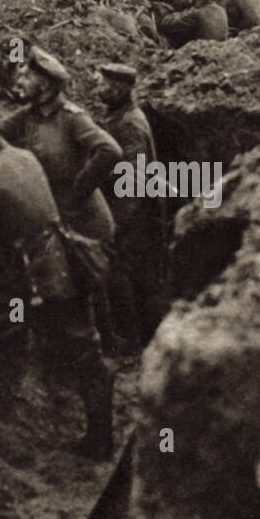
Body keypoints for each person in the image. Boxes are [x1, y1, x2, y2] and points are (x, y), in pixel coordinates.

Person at [0, 108, 114, 461]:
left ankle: (2, 425)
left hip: (41, 276)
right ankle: (98, 431)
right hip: (67, 258)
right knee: (86, 345)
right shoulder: (23, 155)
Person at [3, 46, 122, 246]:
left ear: (44, 84)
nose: (19, 82)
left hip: (86, 227)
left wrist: (79, 190)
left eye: (26, 77)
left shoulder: (72, 118)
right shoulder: (28, 115)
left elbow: (110, 151)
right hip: (55, 218)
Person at [96, 63, 167, 351]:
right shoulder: (120, 117)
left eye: (103, 85)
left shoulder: (130, 125)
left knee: (120, 274)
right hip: (132, 210)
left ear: (118, 89)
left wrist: (117, 223)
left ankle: (131, 343)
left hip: (133, 213)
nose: (98, 89)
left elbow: (133, 179)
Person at [154, 0, 230, 47]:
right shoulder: (220, 9)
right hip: (217, 51)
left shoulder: (196, 14)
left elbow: (166, 24)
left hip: (201, 54)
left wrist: (163, 10)